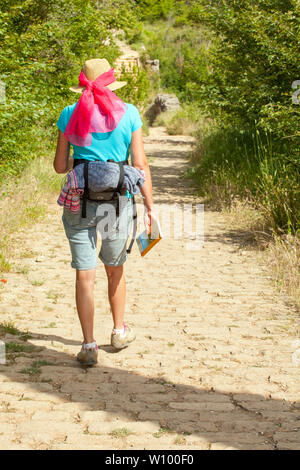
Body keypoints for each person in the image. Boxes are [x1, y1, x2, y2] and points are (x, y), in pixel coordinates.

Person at [53, 58, 155, 366]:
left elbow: (60, 166)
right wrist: (150, 207)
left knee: (85, 275)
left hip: (78, 202)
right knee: (115, 268)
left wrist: (87, 166)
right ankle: (119, 331)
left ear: (83, 83)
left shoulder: (69, 114)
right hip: (117, 203)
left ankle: (88, 345)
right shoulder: (131, 113)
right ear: (111, 84)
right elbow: (140, 164)